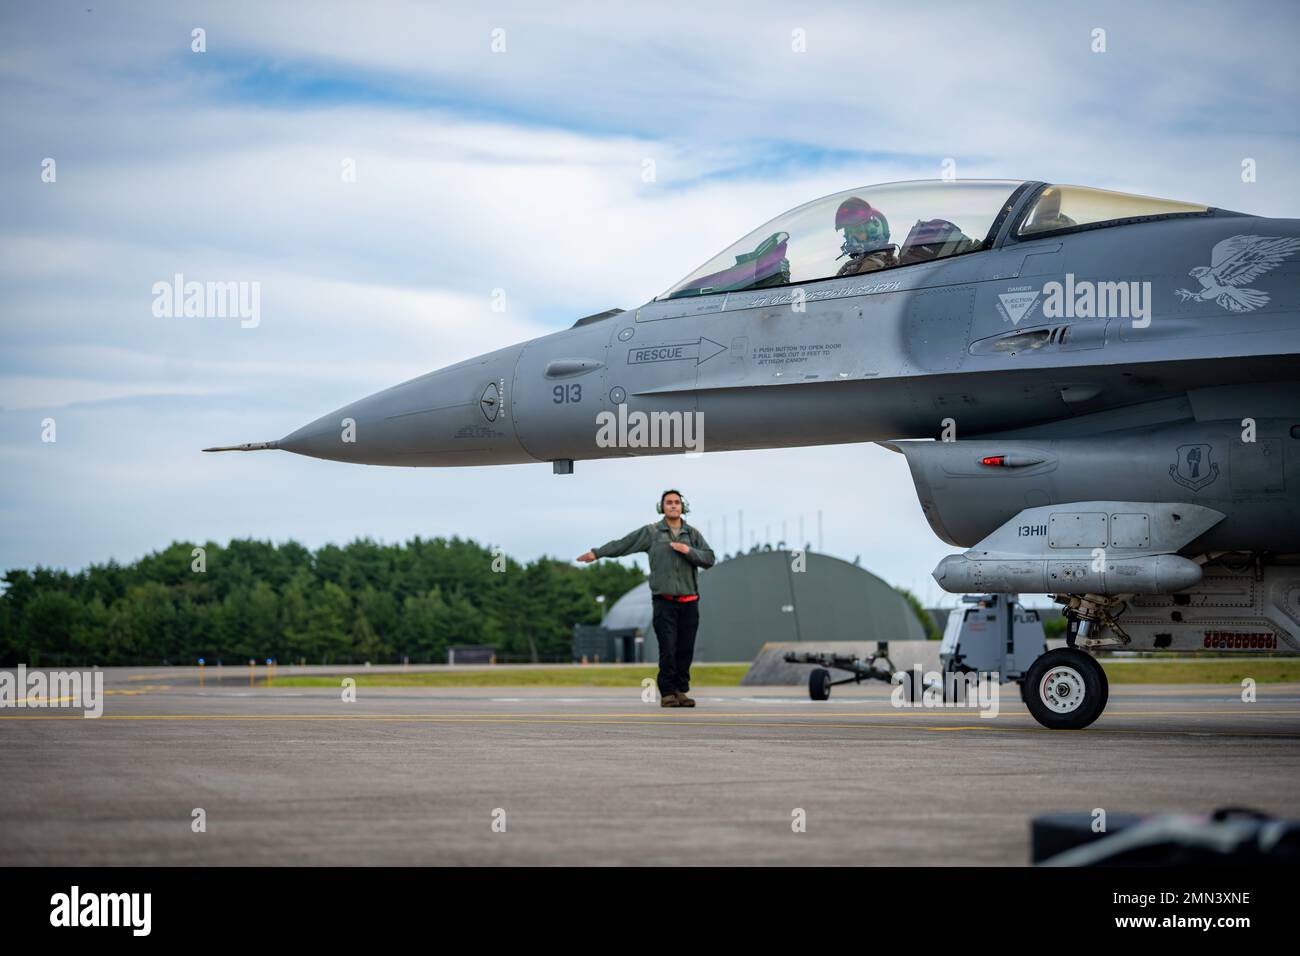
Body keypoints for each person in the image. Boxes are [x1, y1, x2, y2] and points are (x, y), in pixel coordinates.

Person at [577, 490, 715, 707]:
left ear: (683, 507)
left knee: (685, 649)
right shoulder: (652, 533)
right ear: (661, 507)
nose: (673, 506)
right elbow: (624, 544)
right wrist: (597, 553)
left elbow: (709, 559)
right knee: (668, 648)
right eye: (668, 503)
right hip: (664, 601)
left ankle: (681, 691)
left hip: (689, 602)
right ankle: (668, 693)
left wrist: (688, 550)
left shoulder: (693, 534)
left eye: (677, 502)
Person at [834, 197, 897, 276]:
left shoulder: (871, 266)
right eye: (849, 233)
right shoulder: (882, 260)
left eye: (858, 231)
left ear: (874, 231)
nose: (852, 238)